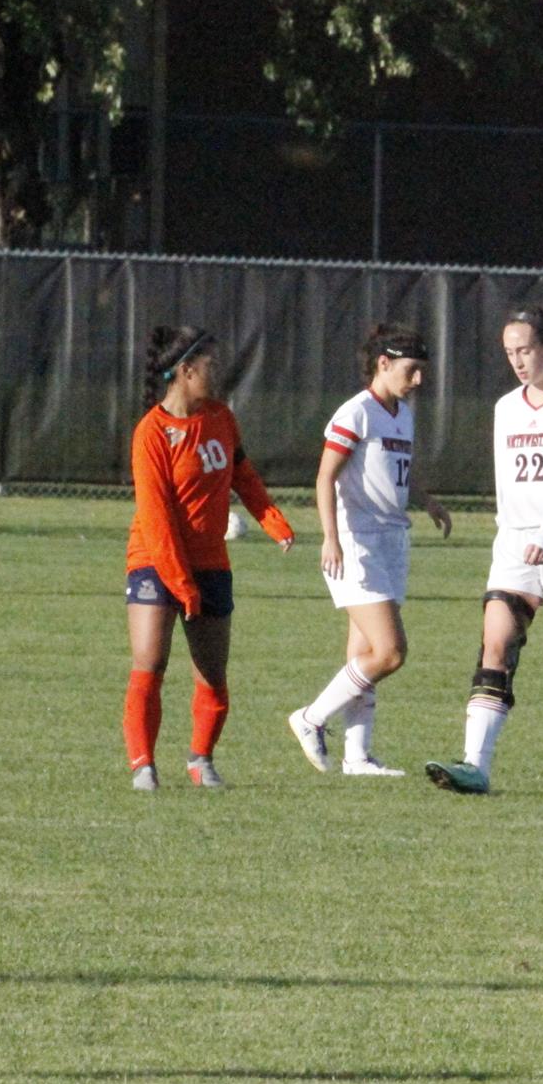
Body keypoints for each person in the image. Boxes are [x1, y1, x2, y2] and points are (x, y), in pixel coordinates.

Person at [426, 304, 543, 797]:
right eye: (510, 352)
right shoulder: (506, 408)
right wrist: (512, 536)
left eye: (525, 349)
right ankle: (475, 766)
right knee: (495, 644)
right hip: (514, 542)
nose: (518, 360)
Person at [123, 325, 295, 790]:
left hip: (211, 563)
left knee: (213, 672)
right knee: (150, 661)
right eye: (211, 365)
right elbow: (157, 522)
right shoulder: (152, 434)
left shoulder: (221, 418)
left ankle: (201, 761)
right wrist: (181, 585)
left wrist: (273, 520)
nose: (218, 373)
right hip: (156, 562)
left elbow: (244, 475)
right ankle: (143, 767)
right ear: (186, 370)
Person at [288, 326, 451, 777]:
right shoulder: (356, 413)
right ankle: (311, 718)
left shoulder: (401, 414)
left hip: (390, 540)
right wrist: (330, 536)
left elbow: (402, 469)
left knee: (364, 656)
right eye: (411, 370)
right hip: (356, 543)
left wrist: (428, 501)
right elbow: (325, 477)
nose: (418, 380)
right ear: (383, 363)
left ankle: (357, 756)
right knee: (391, 652)